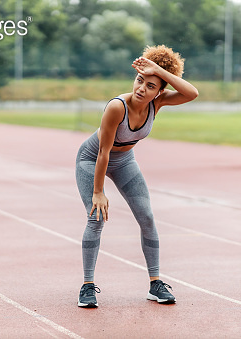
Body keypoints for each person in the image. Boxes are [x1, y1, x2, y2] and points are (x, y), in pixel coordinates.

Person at [75, 45, 199, 308]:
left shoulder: (159, 102)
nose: (142, 88)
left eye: (151, 85)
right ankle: (87, 287)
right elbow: (102, 154)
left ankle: (155, 283)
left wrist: (158, 70)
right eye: (140, 80)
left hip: (124, 161)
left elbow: (192, 93)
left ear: (160, 91)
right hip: (92, 158)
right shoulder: (116, 107)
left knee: (147, 215)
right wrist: (99, 192)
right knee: (96, 217)